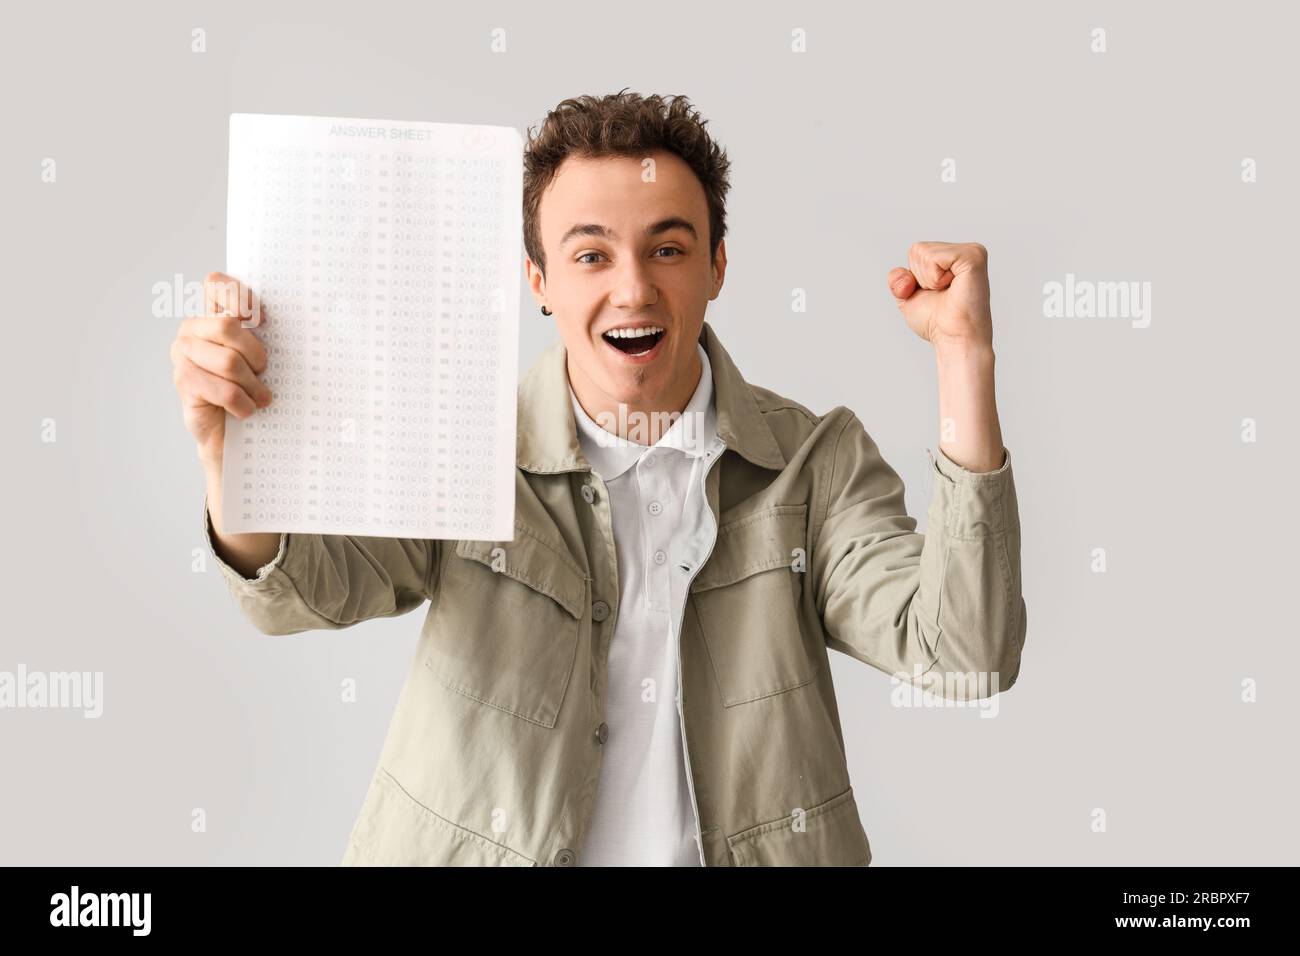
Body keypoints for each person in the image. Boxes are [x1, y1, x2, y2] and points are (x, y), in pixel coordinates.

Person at [170, 89, 1027, 867]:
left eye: (667, 248)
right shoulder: (466, 442)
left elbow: (966, 654)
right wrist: (226, 455)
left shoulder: (813, 465)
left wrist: (964, 358)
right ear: (538, 280)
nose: (633, 289)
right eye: (590, 256)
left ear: (717, 267)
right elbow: (295, 593)